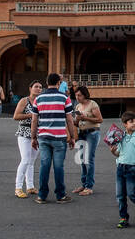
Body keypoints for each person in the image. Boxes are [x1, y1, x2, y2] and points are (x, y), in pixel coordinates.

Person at [35, 73, 77, 203]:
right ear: (59, 83)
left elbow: (34, 120)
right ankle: (60, 195)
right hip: (59, 137)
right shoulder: (64, 97)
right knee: (58, 167)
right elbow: (69, 120)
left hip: (43, 137)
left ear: (47, 83)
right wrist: (72, 137)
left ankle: (42, 195)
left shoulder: (39, 98)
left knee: (44, 165)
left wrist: (33, 137)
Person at [110, 111, 135, 228]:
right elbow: (119, 154)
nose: (134, 124)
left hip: (133, 168)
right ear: (124, 124)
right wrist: (113, 151)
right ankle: (123, 218)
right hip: (120, 167)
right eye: (131, 122)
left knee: (131, 193)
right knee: (120, 195)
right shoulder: (120, 136)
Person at [12, 81, 42, 197]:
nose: (38, 89)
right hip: (24, 132)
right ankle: (18, 187)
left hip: (37, 133)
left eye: (40, 87)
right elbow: (16, 116)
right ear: (30, 88)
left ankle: (30, 186)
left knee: (32, 161)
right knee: (25, 160)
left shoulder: (41, 101)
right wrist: (31, 115)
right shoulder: (24, 100)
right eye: (36, 87)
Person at [72, 85, 103, 195]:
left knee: (89, 159)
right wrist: (73, 121)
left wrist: (85, 118)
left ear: (85, 95)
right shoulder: (77, 106)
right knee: (82, 159)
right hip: (81, 133)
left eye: (79, 95)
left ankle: (89, 186)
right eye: (76, 95)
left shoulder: (92, 104)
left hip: (92, 133)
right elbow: (76, 122)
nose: (77, 97)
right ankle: (84, 184)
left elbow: (100, 119)